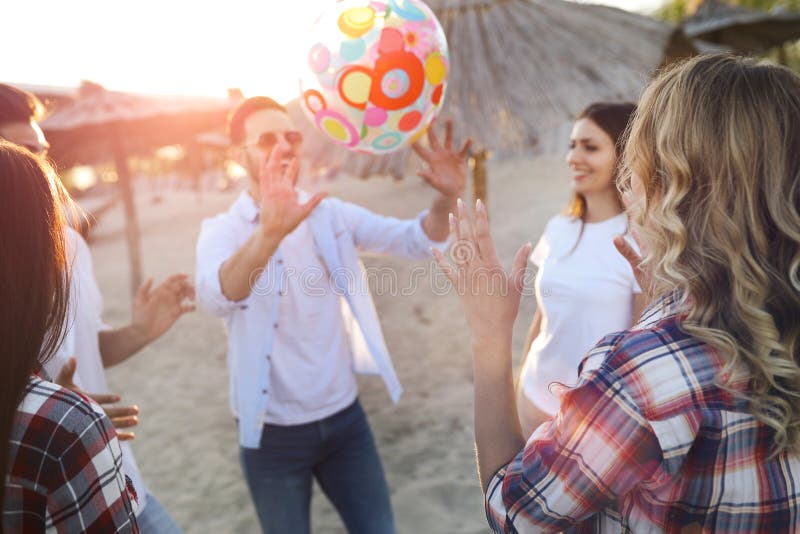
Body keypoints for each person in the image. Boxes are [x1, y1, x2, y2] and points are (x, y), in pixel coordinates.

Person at [434, 54, 800, 532]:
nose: (631, 180)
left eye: (639, 158)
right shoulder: (563, 230)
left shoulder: (642, 374)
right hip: (548, 402)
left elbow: (514, 511)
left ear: (676, 182)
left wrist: (488, 339)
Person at [195, 96, 470, 533]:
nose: (284, 146)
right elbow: (217, 296)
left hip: (345, 421)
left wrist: (447, 197)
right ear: (238, 154)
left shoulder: (327, 212)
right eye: (266, 140)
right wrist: (268, 234)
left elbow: (416, 240)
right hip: (271, 435)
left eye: (291, 136)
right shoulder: (221, 230)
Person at [0, 83, 193, 533]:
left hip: (116, 472)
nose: (41, 169)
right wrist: (50, 408)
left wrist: (140, 331)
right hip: (47, 492)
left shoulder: (72, 243)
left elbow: (84, 349)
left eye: (41, 152)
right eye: (22, 154)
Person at [0, 140, 138, 532]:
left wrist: (142, 330)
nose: (41, 156)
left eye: (41, 147)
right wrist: (59, 408)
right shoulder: (64, 428)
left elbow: (93, 343)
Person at [516, 102, 647, 436]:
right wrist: (519, 379)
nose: (573, 157)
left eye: (590, 147)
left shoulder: (639, 240)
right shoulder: (558, 227)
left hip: (595, 421)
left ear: (624, 155)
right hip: (531, 398)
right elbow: (543, 318)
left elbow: (639, 342)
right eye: (572, 145)